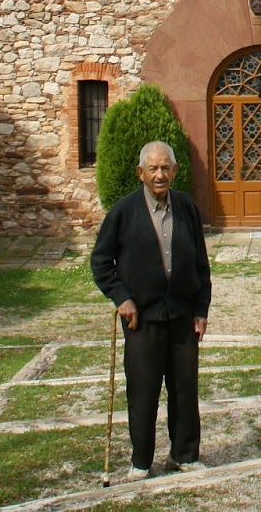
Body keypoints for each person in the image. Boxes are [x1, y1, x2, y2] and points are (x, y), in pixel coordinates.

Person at [90, 140, 212, 481]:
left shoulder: (186, 208)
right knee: (143, 391)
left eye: (166, 168)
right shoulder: (124, 212)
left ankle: (184, 455)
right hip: (141, 319)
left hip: (182, 317)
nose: (160, 175)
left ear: (175, 171)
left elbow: (201, 267)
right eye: (153, 169)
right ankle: (141, 462)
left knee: (185, 390)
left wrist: (200, 310)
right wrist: (121, 299)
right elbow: (101, 262)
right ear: (141, 173)